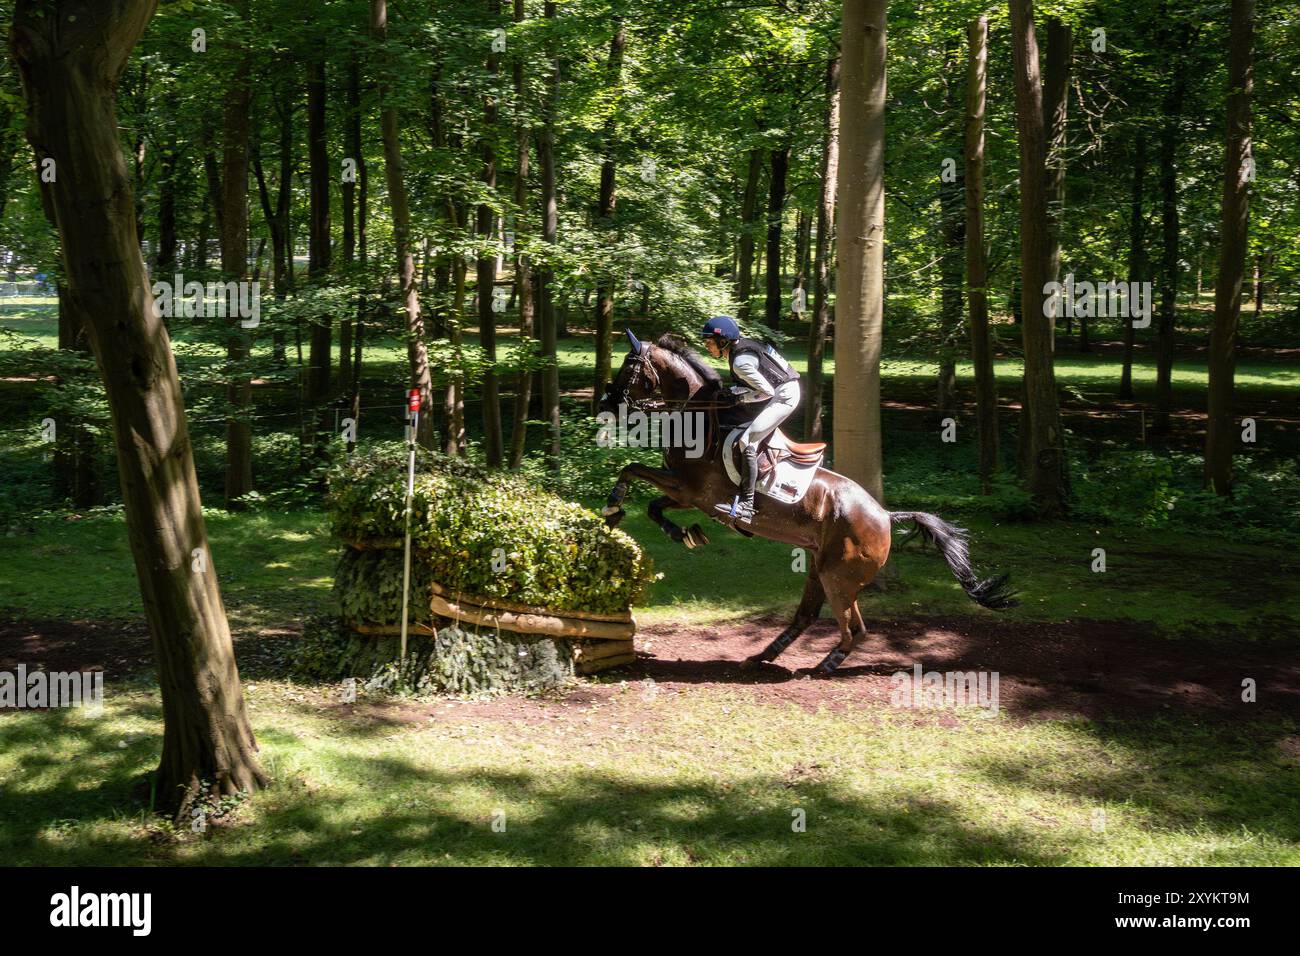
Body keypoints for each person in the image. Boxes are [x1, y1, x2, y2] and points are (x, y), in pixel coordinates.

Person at [701, 316, 801, 522]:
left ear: (723, 341)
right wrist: (735, 392)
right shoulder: (741, 349)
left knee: (747, 440)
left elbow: (766, 391)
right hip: (781, 389)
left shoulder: (739, 362)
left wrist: (739, 396)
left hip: (784, 396)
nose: (707, 347)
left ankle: (747, 504)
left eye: (709, 342)